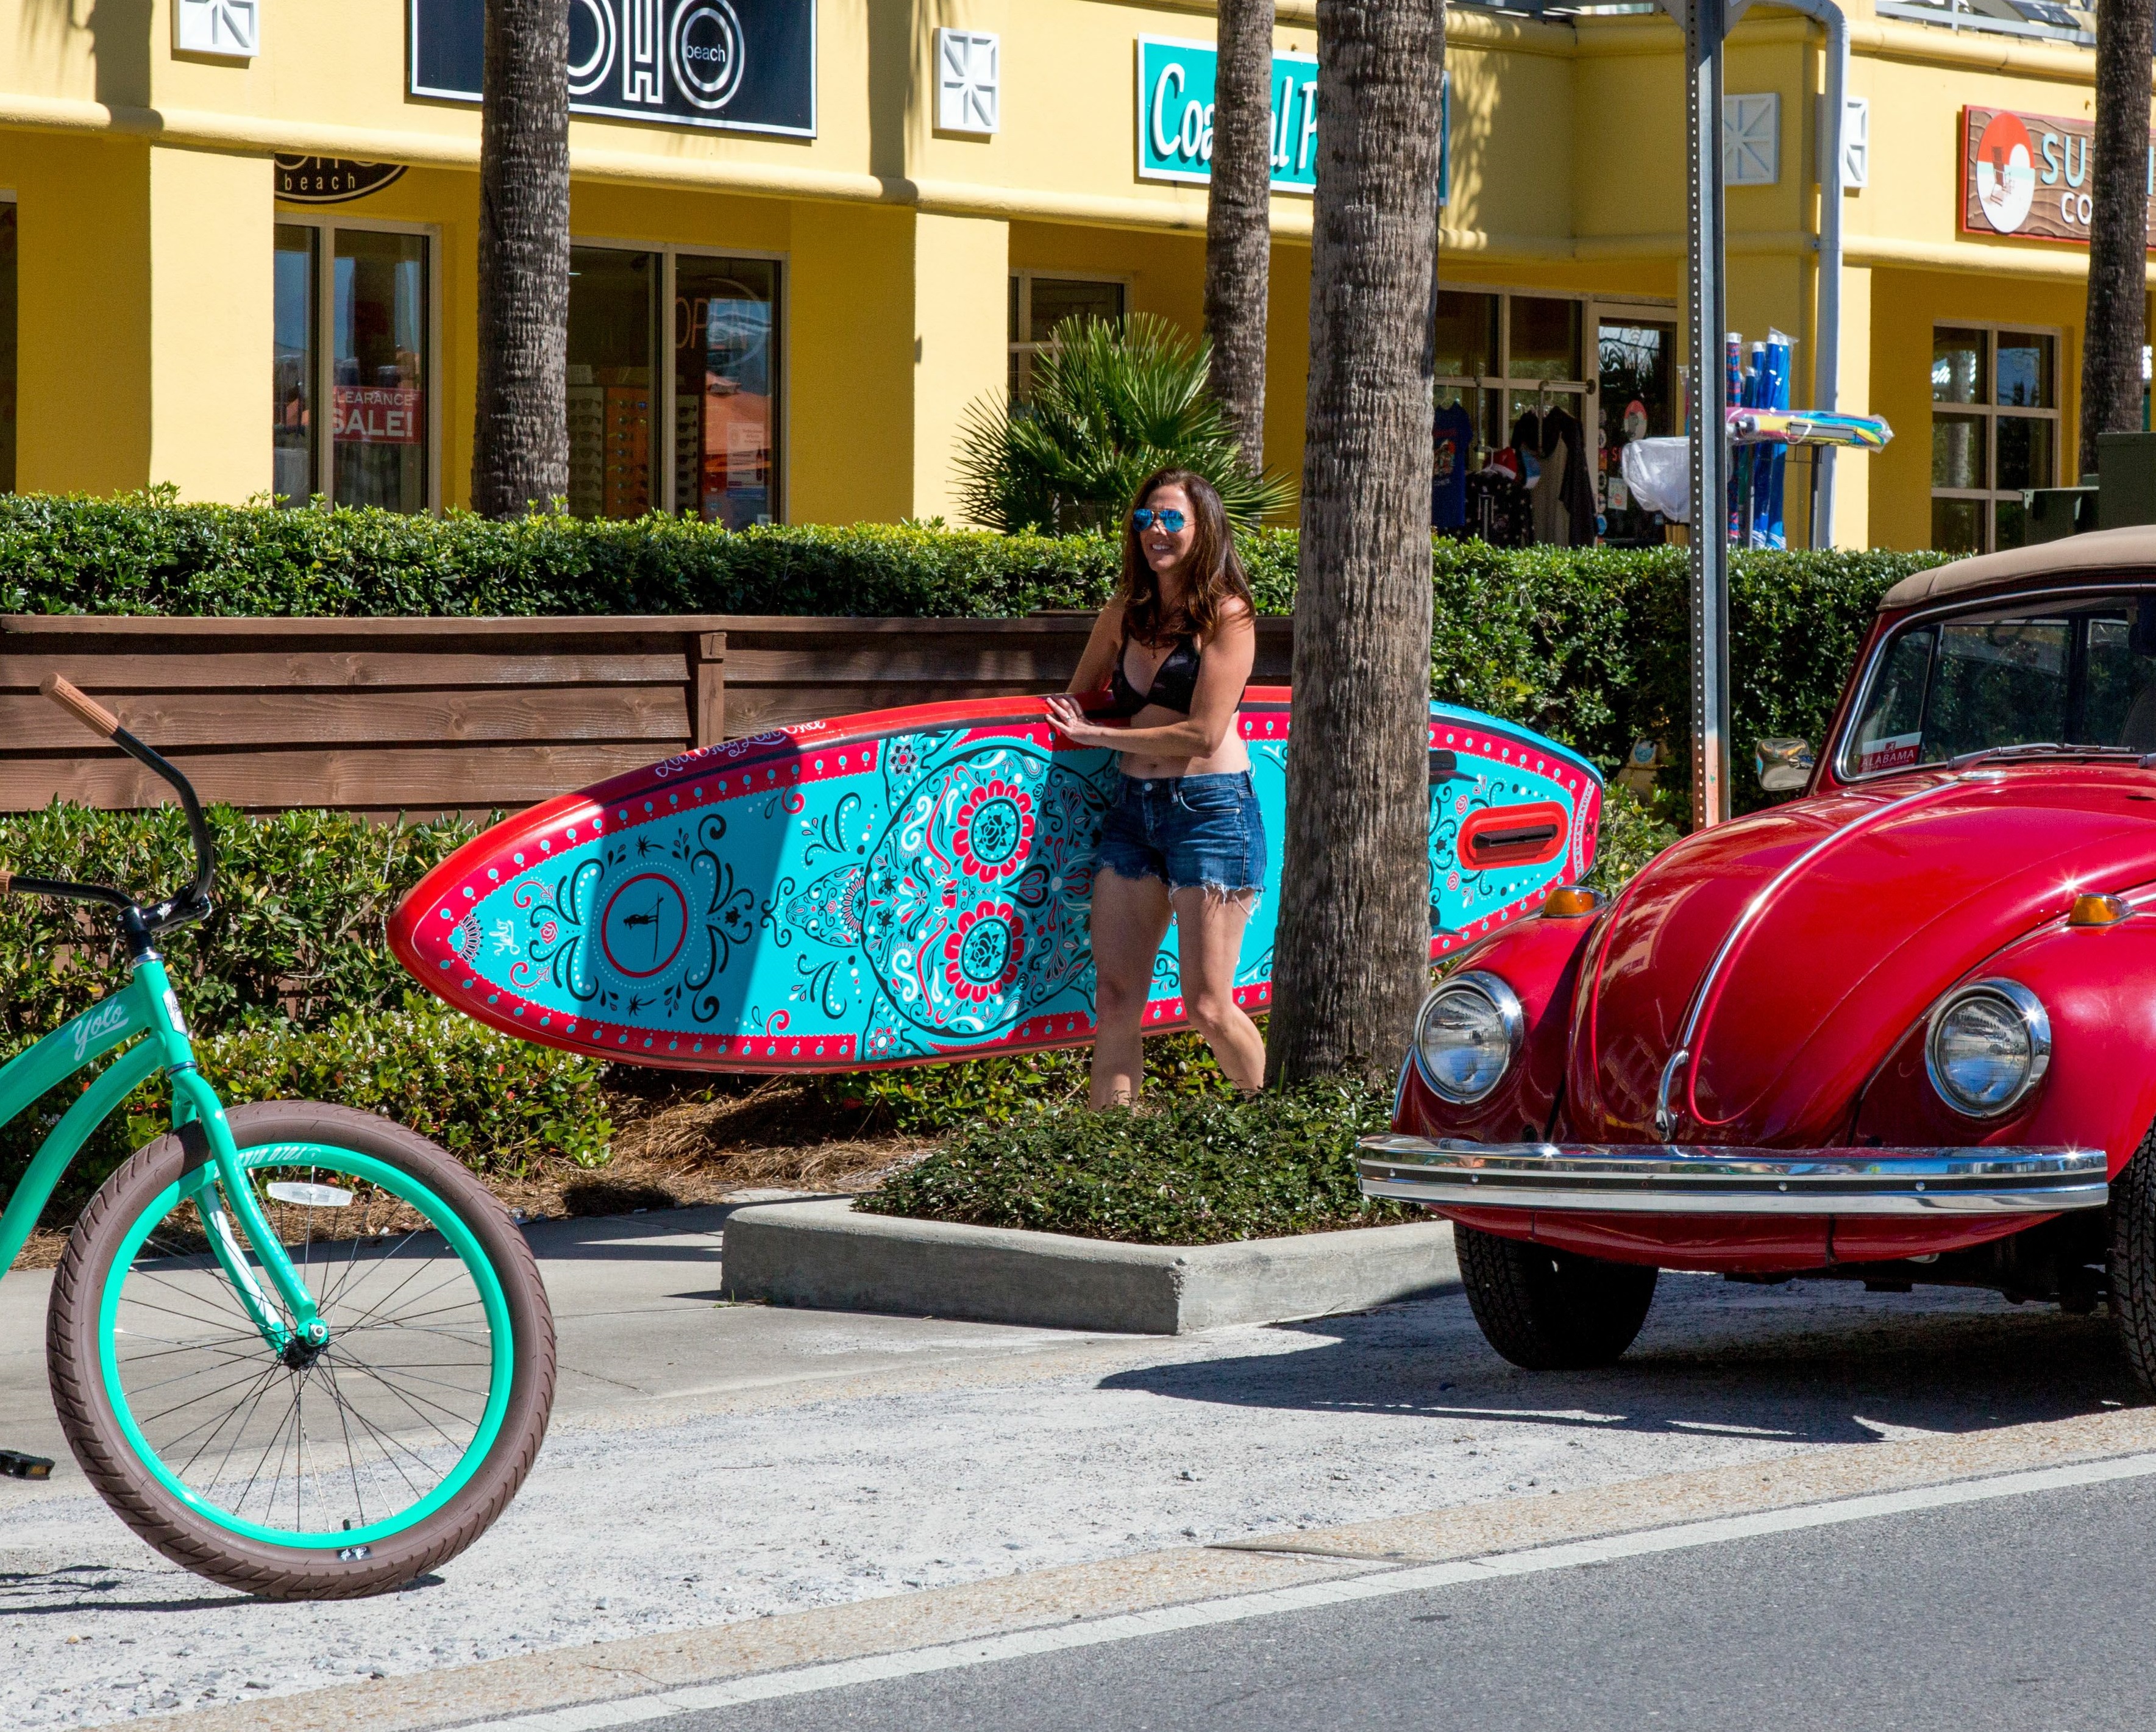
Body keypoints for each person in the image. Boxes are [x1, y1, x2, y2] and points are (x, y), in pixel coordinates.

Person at [1045, 469, 1267, 1108]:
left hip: (1211, 812)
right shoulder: (1122, 613)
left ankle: (1276, 1127)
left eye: (1171, 519)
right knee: (1114, 998)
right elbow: (1079, 703)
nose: (1155, 533)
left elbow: (1200, 733)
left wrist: (1103, 739)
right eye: (1145, 521)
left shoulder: (1228, 615)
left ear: (1204, 530)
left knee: (1207, 1005)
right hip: (1133, 815)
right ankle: (1108, 1162)